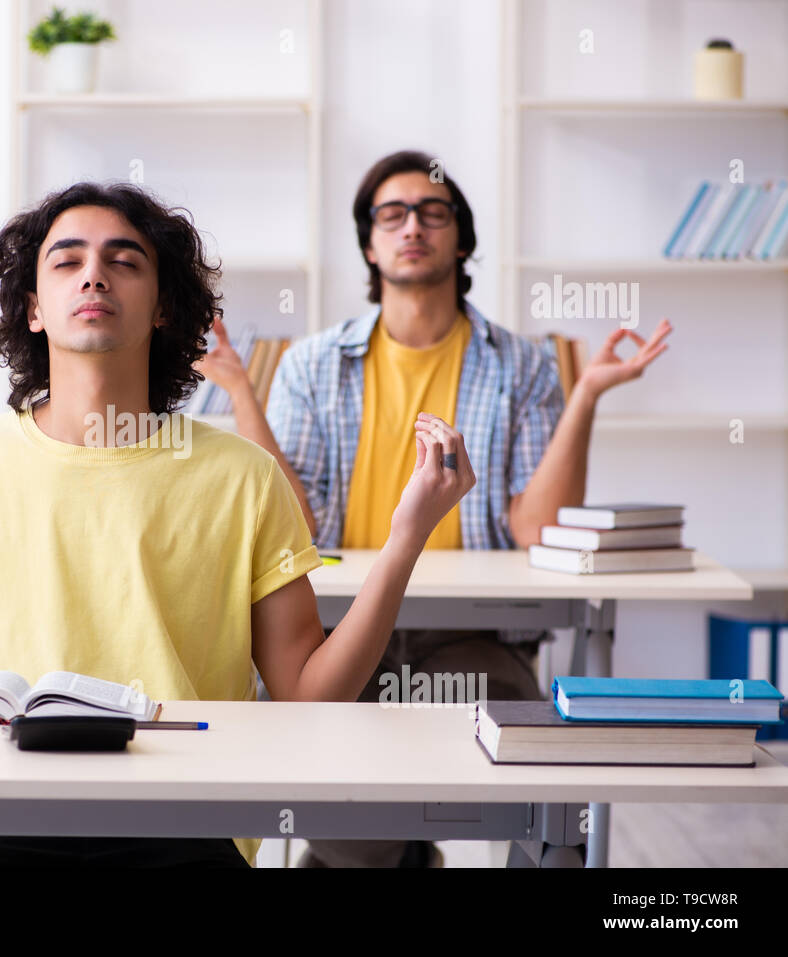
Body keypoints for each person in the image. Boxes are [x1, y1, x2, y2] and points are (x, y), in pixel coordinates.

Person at [0, 180, 478, 868]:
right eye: (67, 258)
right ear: (34, 308)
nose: (94, 273)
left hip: (184, 832)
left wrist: (406, 536)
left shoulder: (242, 475)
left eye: (124, 260)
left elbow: (310, 700)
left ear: (166, 306)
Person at [195, 150, 671, 868]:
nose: (412, 225)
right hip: (340, 635)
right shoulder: (311, 364)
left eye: (433, 211)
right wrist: (240, 395)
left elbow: (534, 532)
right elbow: (299, 525)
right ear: (369, 244)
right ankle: (386, 852)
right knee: (343, 818)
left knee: (538, 793)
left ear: (462, 239)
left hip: (476, 639)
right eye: (392, 214)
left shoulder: (524, 364)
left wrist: (584, 398)